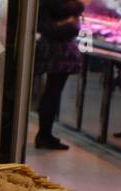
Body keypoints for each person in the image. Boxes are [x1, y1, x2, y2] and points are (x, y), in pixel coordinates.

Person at [34, 0, 85, 150]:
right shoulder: (57, 6)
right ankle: (44, 135)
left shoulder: (51, 7)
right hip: (58, 52)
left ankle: (45, 134)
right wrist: (69, 24)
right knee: (52, 94)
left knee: (51, 93)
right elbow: (51, 28)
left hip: (55, 51)